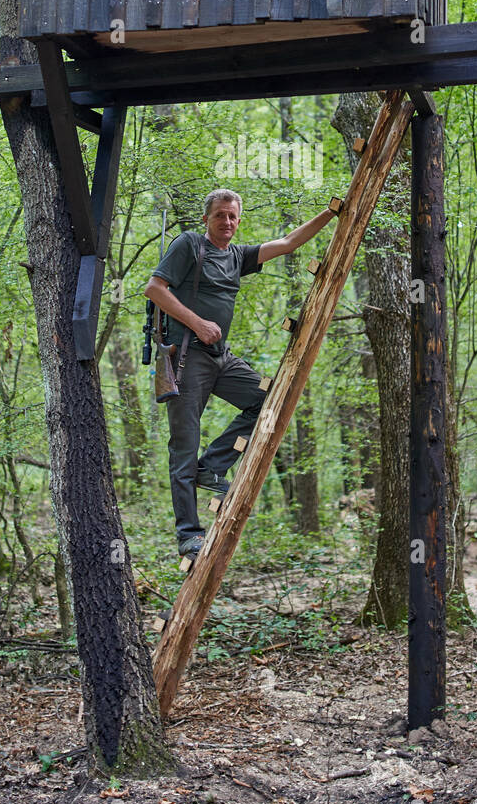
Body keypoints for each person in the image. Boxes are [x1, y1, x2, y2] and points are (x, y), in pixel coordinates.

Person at [144, 188, 335, 558]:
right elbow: (155, 288)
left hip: (222, 359)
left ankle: (213, 466)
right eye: (220, 215)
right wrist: (198, 323)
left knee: (269, 397)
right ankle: (189, 534)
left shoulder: (237, 256)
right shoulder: (189, 245)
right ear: (206, 219)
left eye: (232, 216)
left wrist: (333, 212)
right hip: (186, 360)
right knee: (183, 447)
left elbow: (288, 242)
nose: (227, 222)